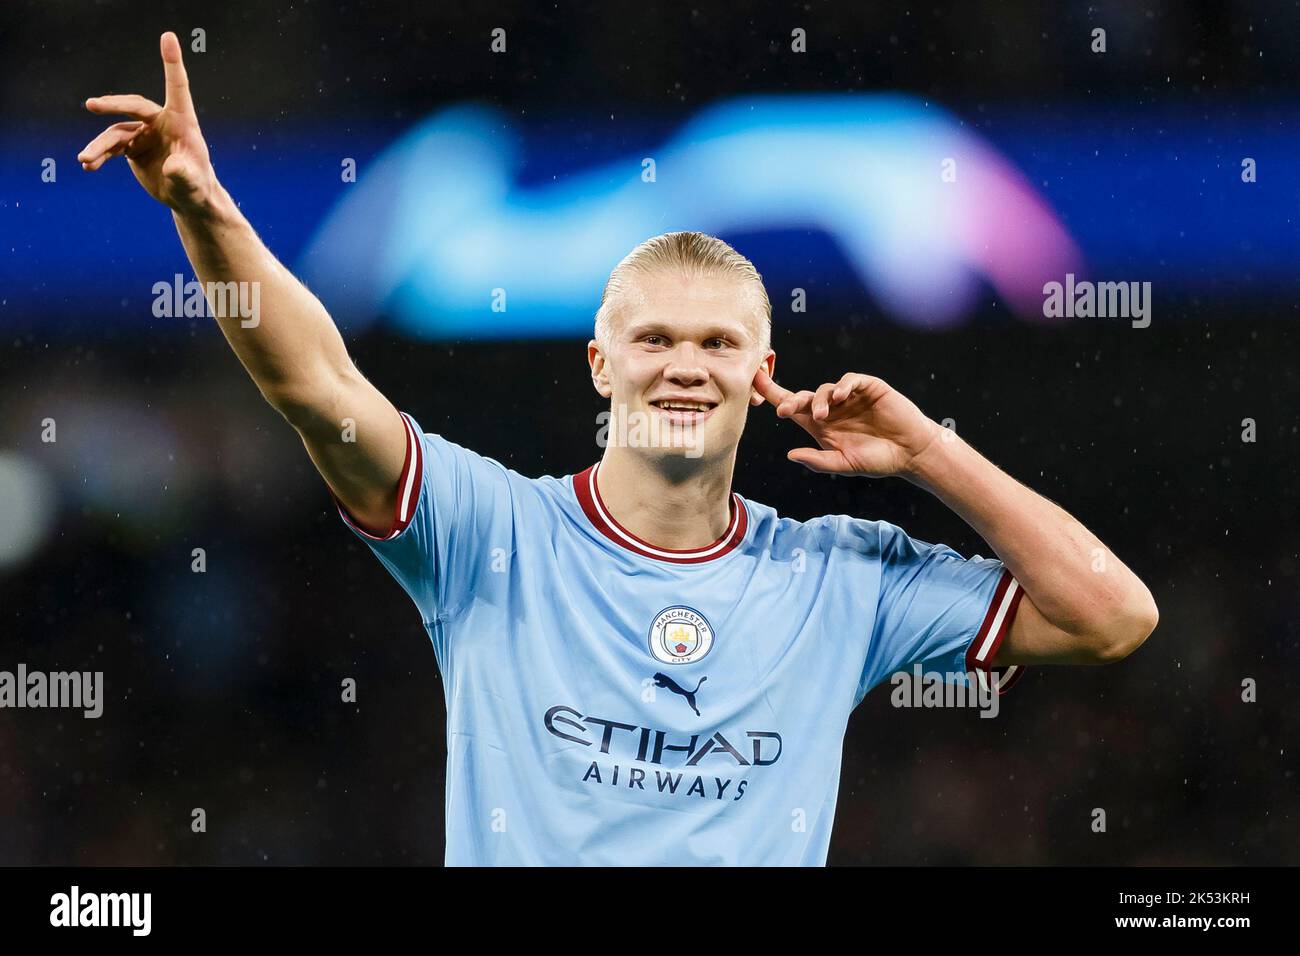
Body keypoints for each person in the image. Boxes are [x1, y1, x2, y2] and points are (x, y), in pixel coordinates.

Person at [79, 33, 1158, 866]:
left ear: (760, 370)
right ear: (601, 362)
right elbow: (317, 387)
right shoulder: (489, 531)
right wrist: (206, 207)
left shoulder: (836, 577)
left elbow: (1111, 615)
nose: (684, 364)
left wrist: (928, 451)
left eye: (715, 342)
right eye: (654, 339)